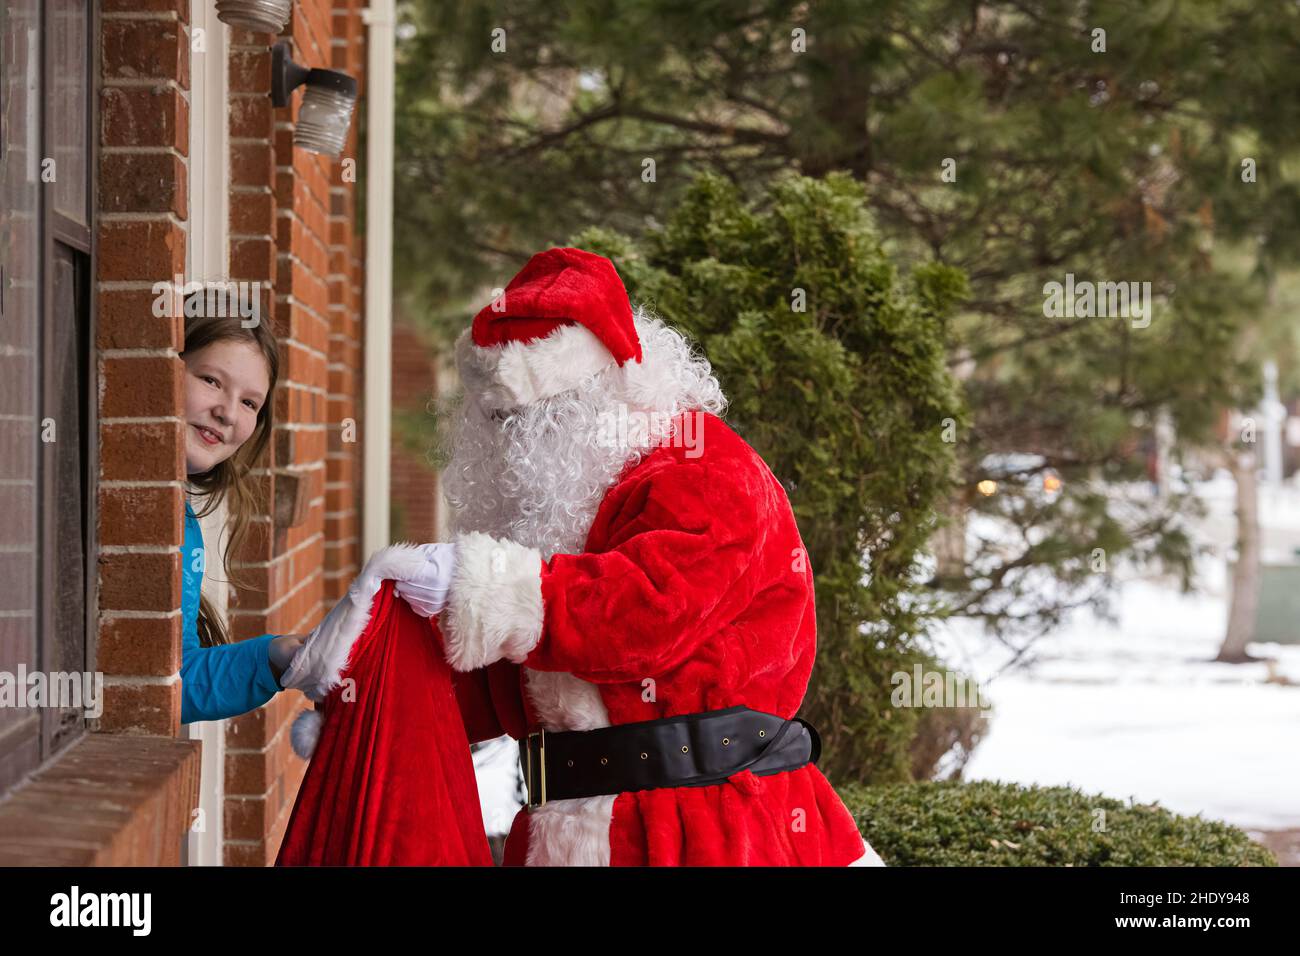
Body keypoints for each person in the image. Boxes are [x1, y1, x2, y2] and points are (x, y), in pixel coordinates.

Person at [392, 247, 888, 866]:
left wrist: (495, 591)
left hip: (704, 830)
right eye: (500, 421)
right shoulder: (561, 518)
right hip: (562, 825)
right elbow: (497, 684)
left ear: (611, 388)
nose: (519, 443)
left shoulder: (706, 468)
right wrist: (381, 700)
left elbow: (647, 613)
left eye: (545, 416)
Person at [178, 313, 303, 723]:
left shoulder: (182, 522)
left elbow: (171, 682)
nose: (228, 412)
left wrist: (276, 657)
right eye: (211, 381)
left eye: (250, 402)